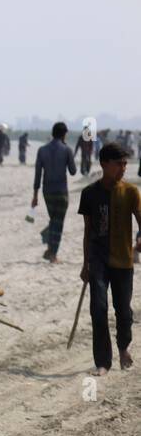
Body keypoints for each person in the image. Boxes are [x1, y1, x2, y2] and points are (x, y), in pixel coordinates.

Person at [77, 142, 141, 374]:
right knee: (98, 308)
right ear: (104, 164)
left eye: (125, 164)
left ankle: (123, 347)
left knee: (123, 309)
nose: (123, 168)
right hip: (98, 261)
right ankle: (103, 362)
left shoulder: (131, 192)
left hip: (123, 260)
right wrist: (85, 264)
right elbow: (87, 231)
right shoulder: (89, 194)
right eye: (118, 164)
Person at [33, 121, 79, 263]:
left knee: (54, 220)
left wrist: (35, 195)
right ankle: (53, 254)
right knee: (58, 222)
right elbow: (73, 171)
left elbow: (37, 174)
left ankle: (49, 248)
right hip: (61, 192)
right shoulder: (66, 150)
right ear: (64, 134)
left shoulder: (42, 150)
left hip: (47, 191)